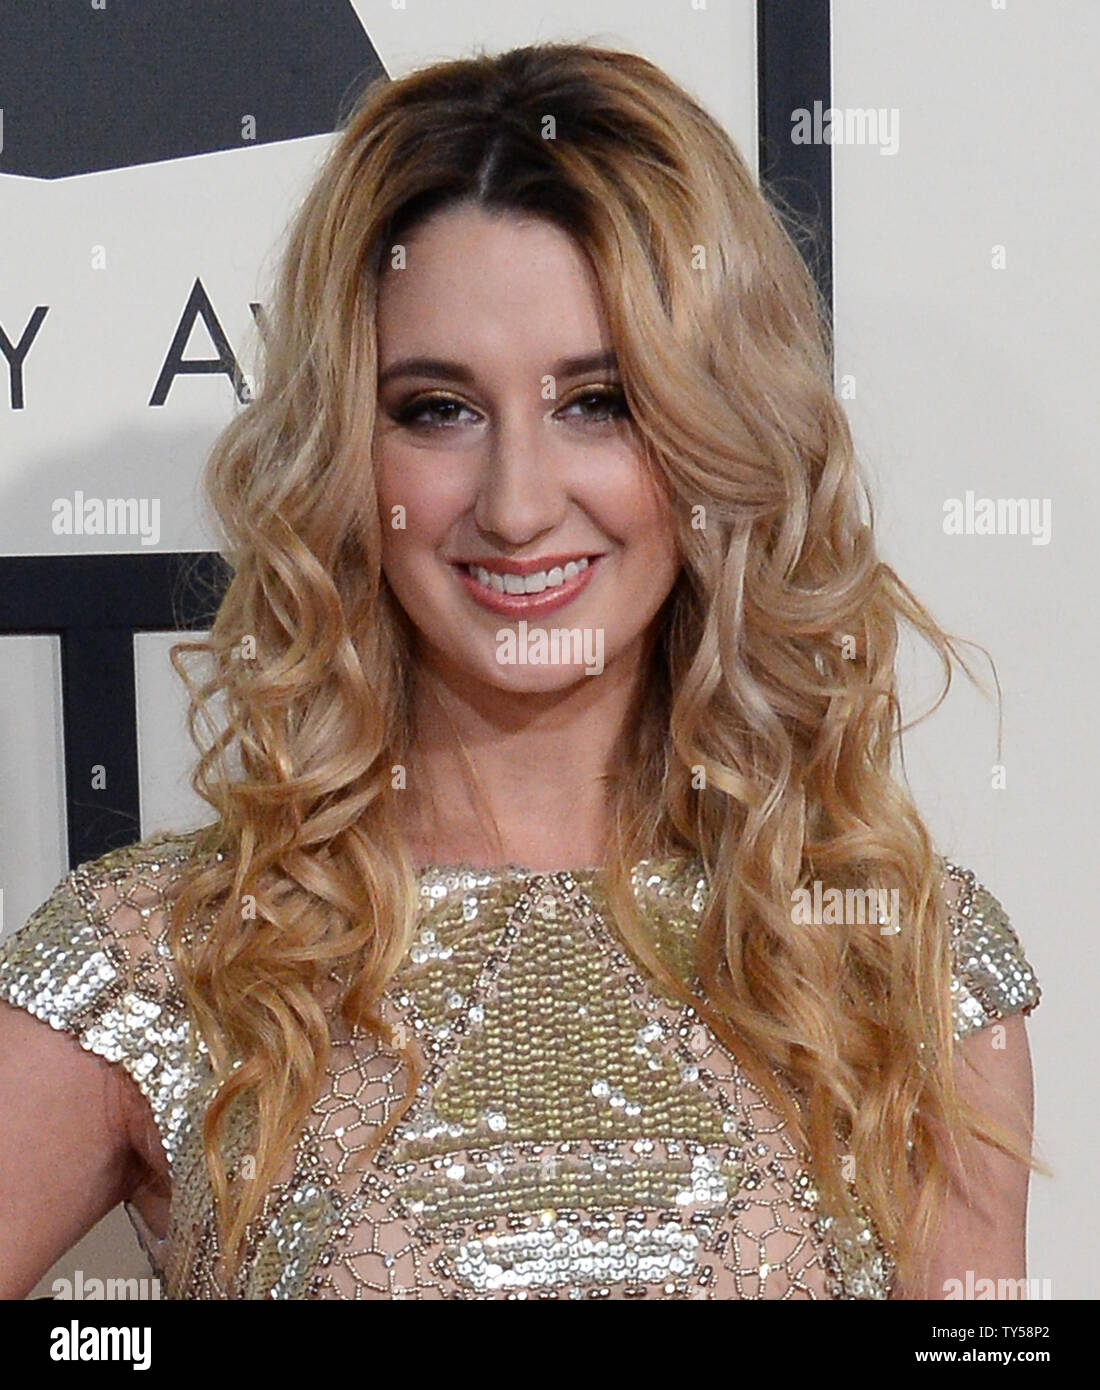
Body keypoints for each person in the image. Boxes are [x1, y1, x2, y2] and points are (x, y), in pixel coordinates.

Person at [0, 40, 1040, 1301]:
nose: (516, 502)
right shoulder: (174, 960)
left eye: (596, 400)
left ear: (715, 430)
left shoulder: (900, 964)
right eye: (436, 407)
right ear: (345, 450)